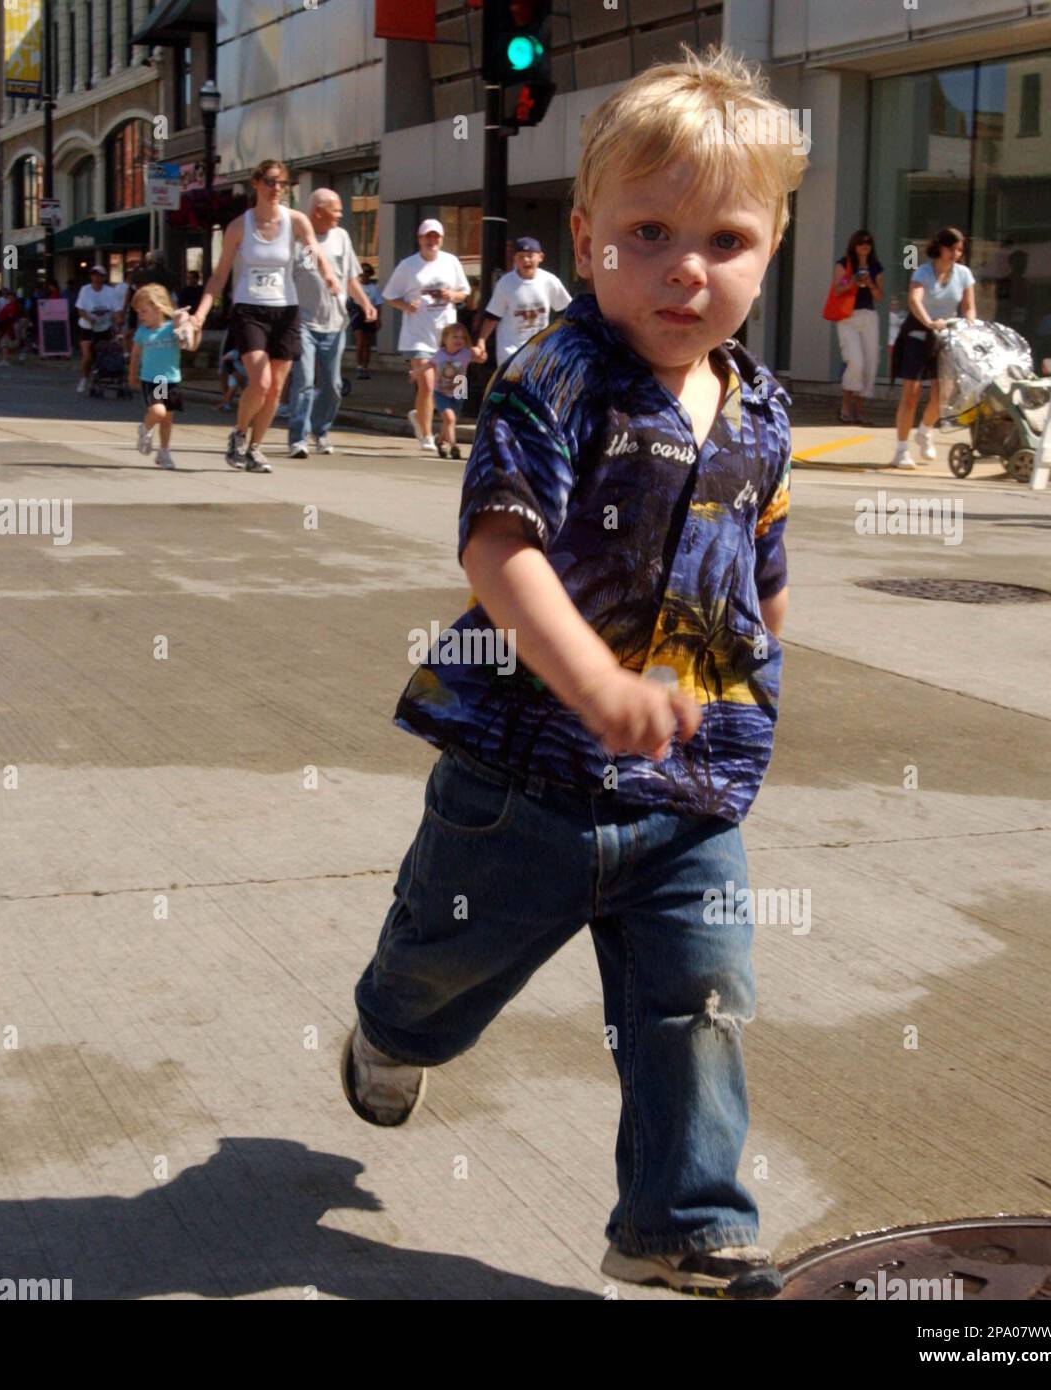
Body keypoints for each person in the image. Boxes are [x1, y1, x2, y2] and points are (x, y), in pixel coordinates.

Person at [344, 46, 804, 1301]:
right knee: (444, 967)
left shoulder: (760, 411)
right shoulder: (553, 378)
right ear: (586, 236)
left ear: (771, 249)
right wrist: (596, 682)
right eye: (648, 233)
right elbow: (501, 546)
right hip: (525, 780)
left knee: (697, 1004)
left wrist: (768, 649)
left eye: (726, 237)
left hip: (690, 788)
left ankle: (678, 1222)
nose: (686, 269)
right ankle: (390, 1026)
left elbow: (755, 558)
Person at [189, 158, 342, 472]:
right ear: (256, 184)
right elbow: (219, 276)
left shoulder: (296, 220)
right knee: (260, 380)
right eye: (270, 182)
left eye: (282, 183)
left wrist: (327, 274)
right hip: (249, 310)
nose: (277, 189)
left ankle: (256, 448)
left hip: (285, 310)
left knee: (275, 388)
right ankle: (239, 434)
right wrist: (200, 314)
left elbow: (313, 249)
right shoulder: (238, 227)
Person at [287, 188, 378, 459]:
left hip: (335, 323)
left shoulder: (341, 237)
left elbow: (350, 277)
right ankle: (297, 438)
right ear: (318, 211)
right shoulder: (296, 239)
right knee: (304, 380)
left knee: (333, 385)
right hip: (303, 321)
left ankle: (321, 430)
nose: (340, 214)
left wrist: (365, 303)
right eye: (335, 209)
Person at [381, 219, 471, 454]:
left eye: (436, 237)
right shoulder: (408, 266)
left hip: (447, 336)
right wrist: (406, 306)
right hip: (417, 334)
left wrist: (451, 294)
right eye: (427, 237)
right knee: (428, 384)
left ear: (441, 239)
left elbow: (465, 293)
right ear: (420, 239)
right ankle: (427, 434)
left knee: (450, 388)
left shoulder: (451, 262)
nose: (432, 241)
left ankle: (426, 420)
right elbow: (389, 295)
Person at [889, 226, 976, 467]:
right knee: (911, 393)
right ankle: (901, 449)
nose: (955, 254)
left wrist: (969, 323)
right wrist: (928, 321)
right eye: (951, 249)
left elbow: (969, 306)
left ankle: (925, 430)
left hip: (946, 336)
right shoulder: (922, 273)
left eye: (959, 250)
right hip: (918, 333)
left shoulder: (964, 274)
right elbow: (914, 300)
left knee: (943, 394)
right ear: (939, 248)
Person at [475, 236, 572, 368]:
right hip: (510, 350)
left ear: (540, 257)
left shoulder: (549, 281)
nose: (526, 260)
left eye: (530, 255)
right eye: (521, 256)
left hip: (540, 350)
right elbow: (493, 317)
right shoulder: (505, 283)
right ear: (515, 259)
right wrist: (481, 341)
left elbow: (567, 311)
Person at [128, 283, 188, 471]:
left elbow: (184, 341)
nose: (140, 316)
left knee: (167, 420)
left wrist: (183, 324)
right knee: (159, 412)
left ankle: (164, 451)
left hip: (171, 378)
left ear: (158, 307)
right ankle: (145, 429)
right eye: (138, 312)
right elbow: (135, 355)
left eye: (143, 311)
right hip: (154, 379)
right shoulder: (143, 332)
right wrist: (132, 374)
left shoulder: (171, 327)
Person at [829, 230, 883, 424]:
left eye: (868, 242)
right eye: (861, 242)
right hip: (848, 317)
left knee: (870, 363)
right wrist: (852, 280)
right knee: (855, 362)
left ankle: (858, 411)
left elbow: (879, 297)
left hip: (868, 316)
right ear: (854, 245)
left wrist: (869, 283)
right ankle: (845, 406)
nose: (865, 245)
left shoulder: (875, 267)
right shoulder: (844, 264)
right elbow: (837, 288)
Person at [429, 321, 478, 459]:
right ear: (445, 339)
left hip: (459, 391)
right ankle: (453, 446)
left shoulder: (465, 354)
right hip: (441, 392)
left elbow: (480, 358)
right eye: (455, 337)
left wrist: (480, 352)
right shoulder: (440, 354)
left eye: (462, 338)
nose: (459, 340)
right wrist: (415, 373)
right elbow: (429, 364)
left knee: (449, 421)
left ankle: (439, 441)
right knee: (450, 419)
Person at [74, 264, 122, 394]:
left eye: (98, 275)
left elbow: (117, 310)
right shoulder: (85, 290)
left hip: (104, 327)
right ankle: (84, 378)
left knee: (105, 354)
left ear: (103, 277)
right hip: (87, 327)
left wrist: (117, 320)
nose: (95, 277)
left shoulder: (110, 292)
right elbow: (80, 309)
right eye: (93, 275)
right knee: (87, 355)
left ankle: (100, 378)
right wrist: (89, 319)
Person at [349, 263, 383, 378]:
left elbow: (378, 304)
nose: (365, 275)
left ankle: (365, 367)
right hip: (358, 315)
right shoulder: (356, 286)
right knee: (359, 342)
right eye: (363, 272)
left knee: (367, 344)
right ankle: (358, 366)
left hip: (370, 314)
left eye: (368, 272)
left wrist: (378, 319)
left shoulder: (374, 288)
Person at [218, 344, 248, 411]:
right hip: (235, 373)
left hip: (246, 374)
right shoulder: (235, 352)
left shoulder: (249, 353)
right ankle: (226, 404)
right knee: (233, 388)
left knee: (246, 389)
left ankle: (245, 405)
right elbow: (224, 358)